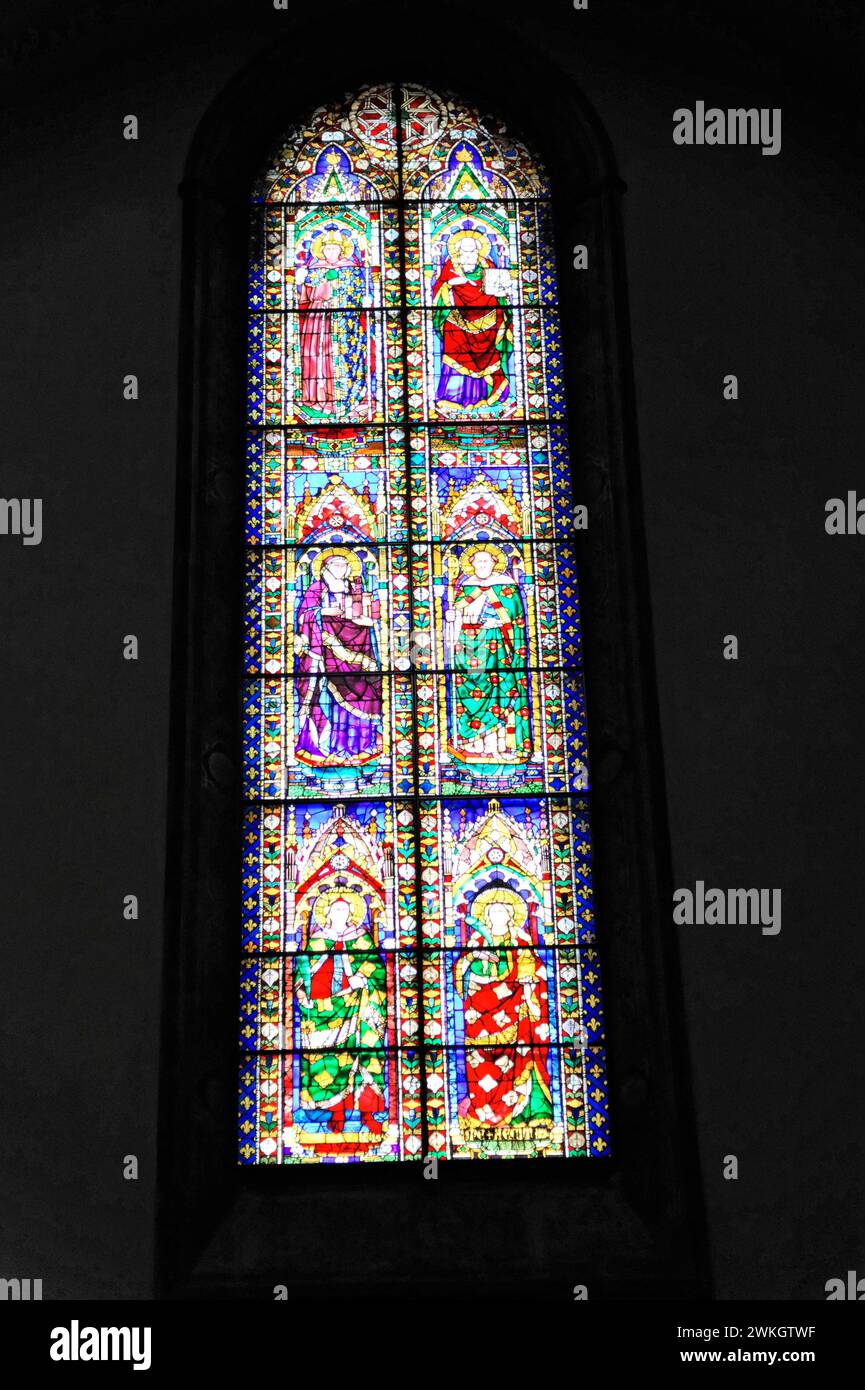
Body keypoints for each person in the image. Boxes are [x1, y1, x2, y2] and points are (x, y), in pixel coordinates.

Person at [294, 548, 381, 763]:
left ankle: (361, 745)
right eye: (336, 564)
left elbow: (368, 612)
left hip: (359, 646)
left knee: (364, 693)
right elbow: (303, 615)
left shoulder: (355, 587)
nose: (341, 569)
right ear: (325, 568)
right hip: (325, 650)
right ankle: (329, 746)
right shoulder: (317, 588)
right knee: (327, 697)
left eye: (344, 565)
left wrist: (368, 620)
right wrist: (322, 613)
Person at [431, 226, 513, 413]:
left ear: (478, 251)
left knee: (492, 358)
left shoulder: (488, 266)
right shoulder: (450, 267)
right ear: (458, 252)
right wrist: (450, 285)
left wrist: (504, 290)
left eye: (473, 251)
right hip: (457, 326)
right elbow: (440, 292)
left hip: (489, 323)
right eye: (465, 251)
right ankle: (455, 397)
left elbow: (498, 290)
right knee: (456, 358)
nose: (470, 255)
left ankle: (488, 397)